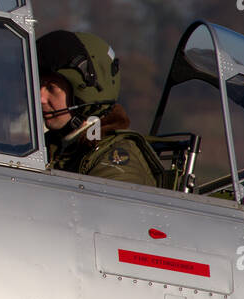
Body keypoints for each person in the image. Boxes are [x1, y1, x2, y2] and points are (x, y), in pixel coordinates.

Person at [36, 29, 159, 187]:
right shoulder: (54, 148)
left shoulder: (115, 163)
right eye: (39, 85)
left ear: (85, 94)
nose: (41, 98)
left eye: (51, 88)